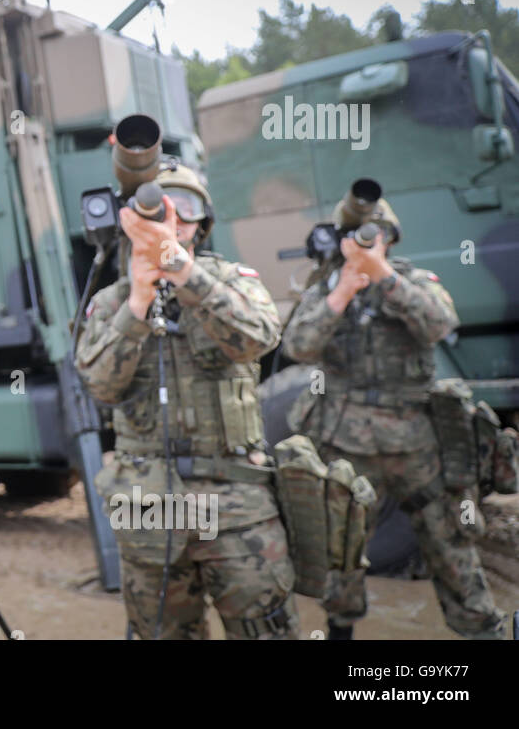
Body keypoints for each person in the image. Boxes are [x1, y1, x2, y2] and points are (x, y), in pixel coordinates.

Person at [75, 163, 298, 639]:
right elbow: (99, 386)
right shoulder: (113, 301)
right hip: (147, 506)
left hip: (237, 500)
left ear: (203, 222)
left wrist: (183, 272)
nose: (172, 220)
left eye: (187, 207)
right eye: (158, 208)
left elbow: (259, 336)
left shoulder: (233, 279)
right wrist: (137, 304)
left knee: (268, 629)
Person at [281, 190, 506, 640]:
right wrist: (343, 289)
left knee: (451, 545)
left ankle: (483, 630)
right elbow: (298, 346)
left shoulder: (414, 281)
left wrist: (381, 275)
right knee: (341, 548)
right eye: (358, 236)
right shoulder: (324, 288)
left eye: (376, 235)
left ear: (390, 239)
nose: (367, 242)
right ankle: (341, 629)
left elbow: (440, 323)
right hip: (347, 443)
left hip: (417, 443)